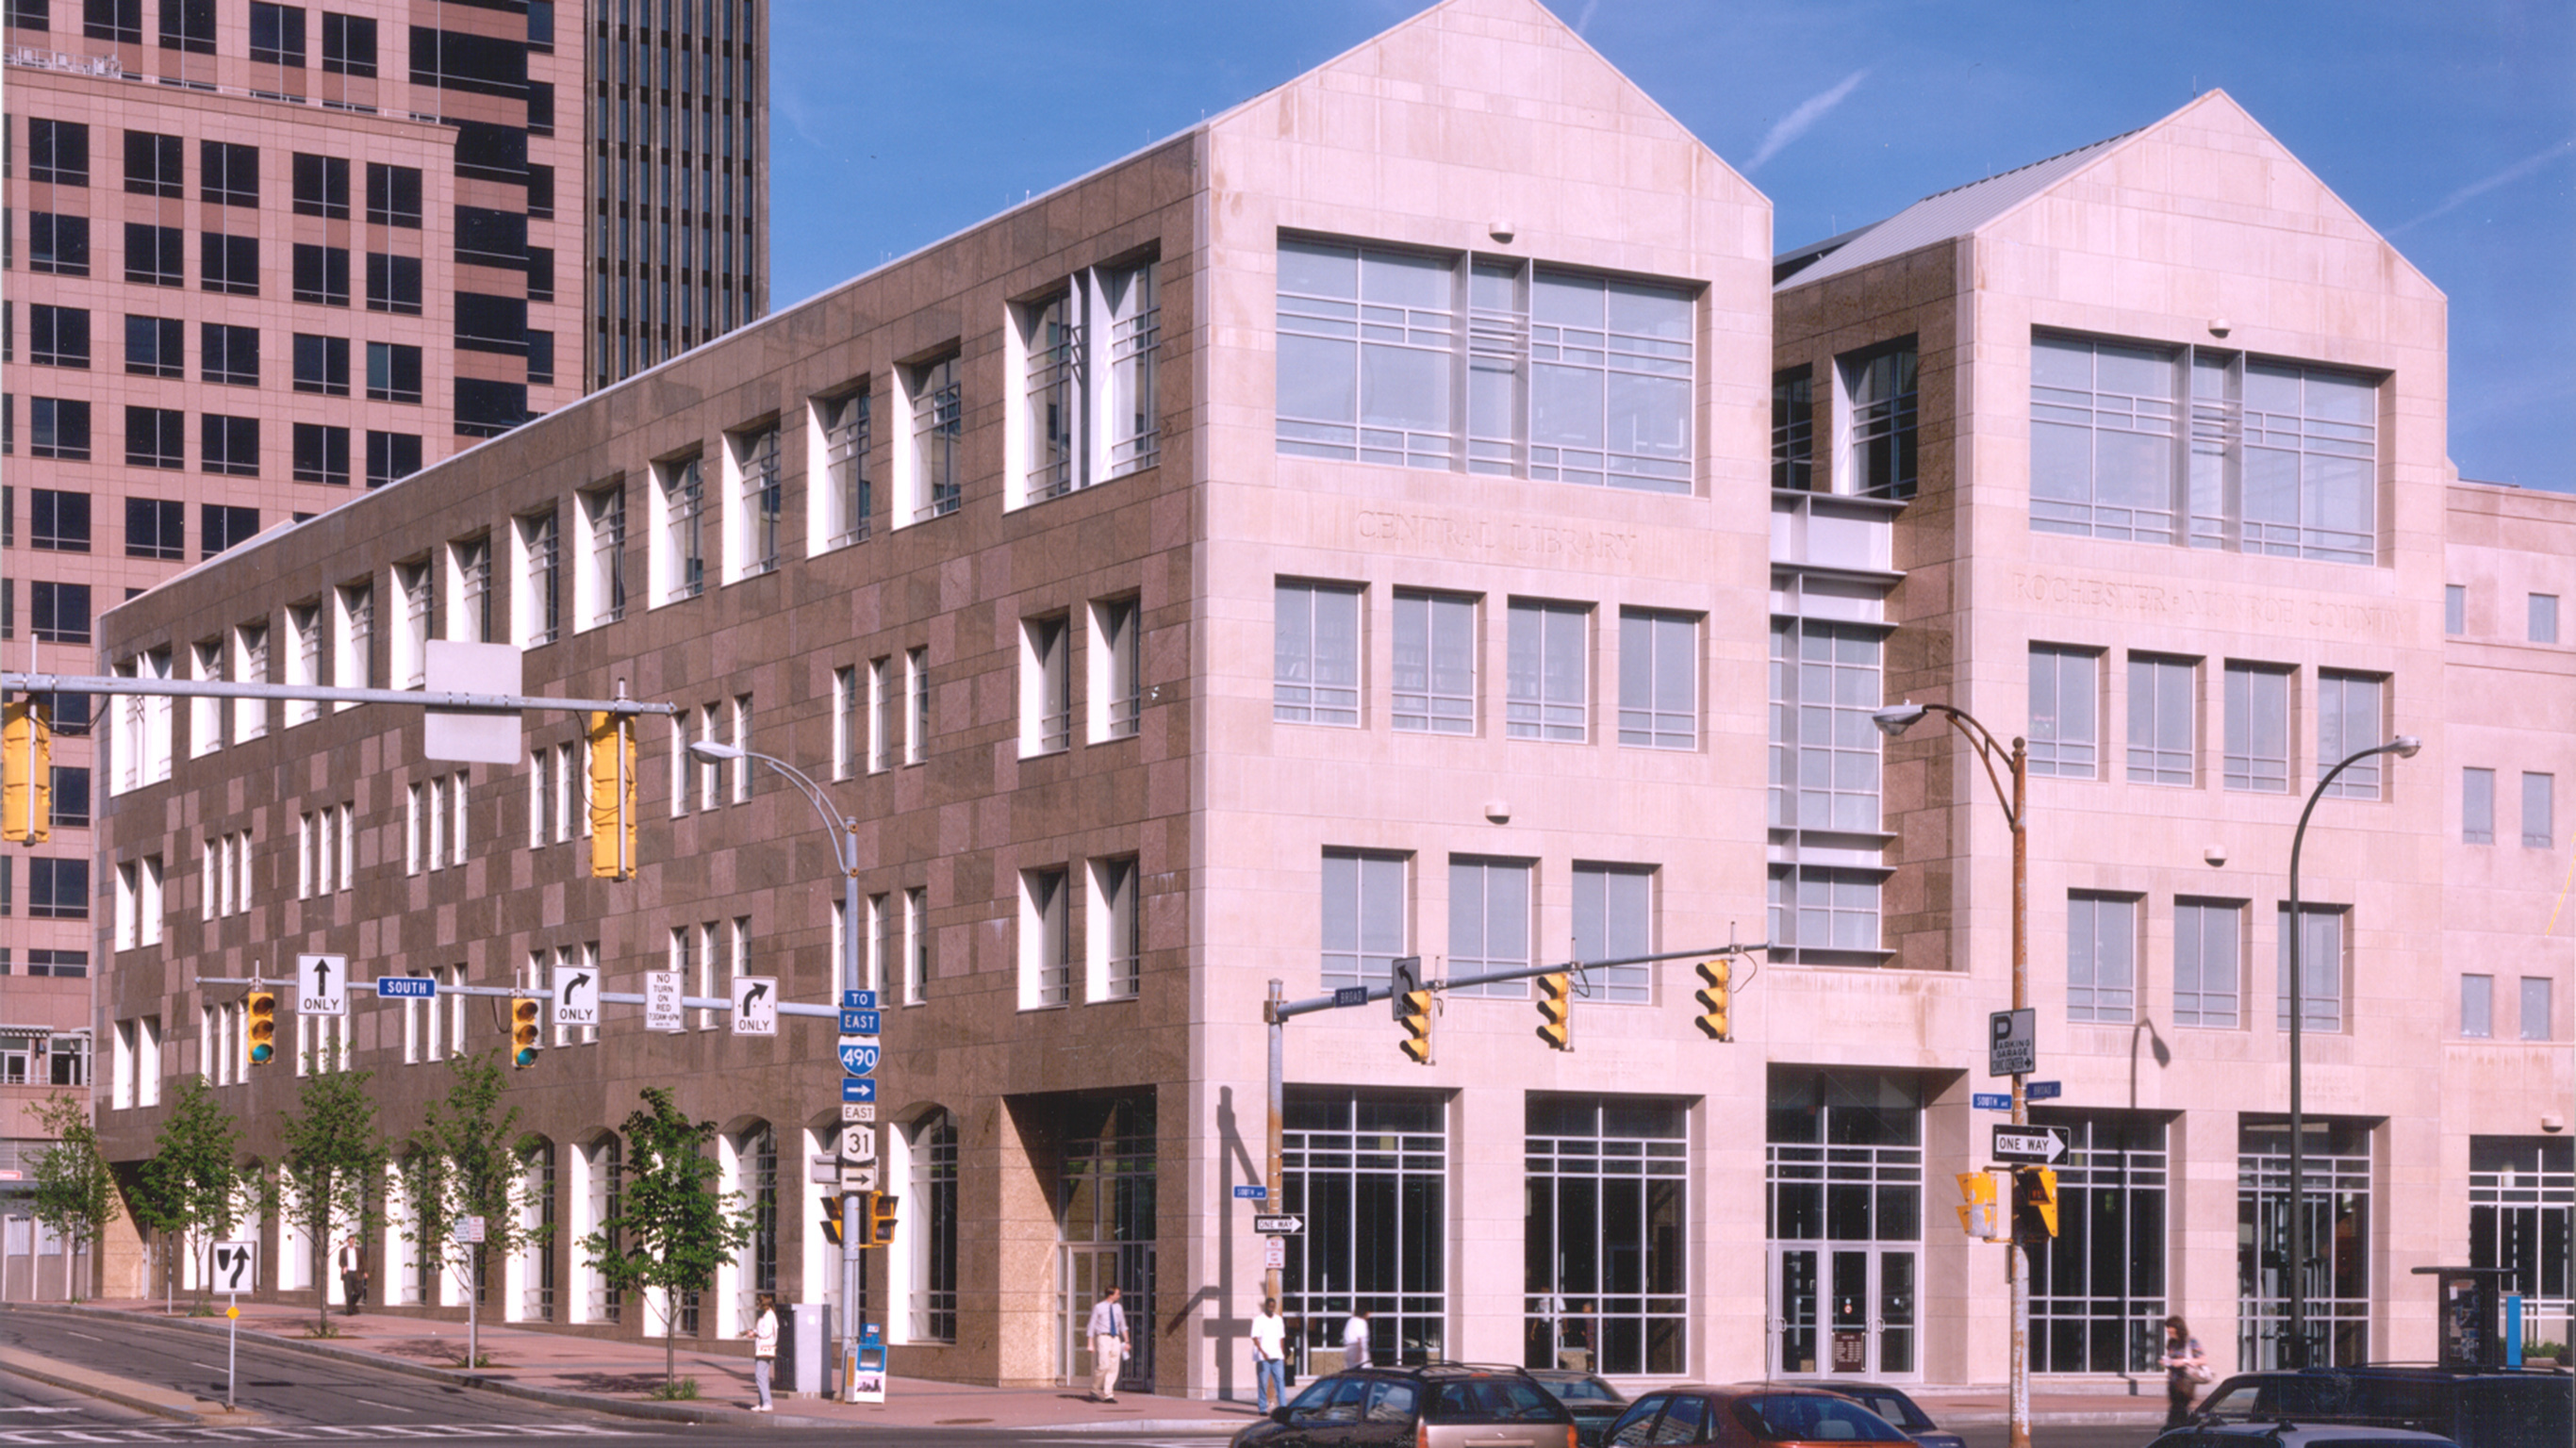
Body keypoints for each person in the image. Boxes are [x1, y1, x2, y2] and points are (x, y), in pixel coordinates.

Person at [2159, 1314, 2206, 1428]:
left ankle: (2177, 1433)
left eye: (2170, 1327)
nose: (2168, 1330)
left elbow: (2202, 1359)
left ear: (2178, 1327)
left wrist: (2184, 1361)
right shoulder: (2172, 1343)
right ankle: (2182, 1431)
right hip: (2174, 1383)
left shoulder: (2191, 1341)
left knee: (2177, 1412)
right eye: (2167, 1328)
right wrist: (2167, 1363)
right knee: (2178, 1411)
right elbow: (2172, 1360)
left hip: (2185, 1383)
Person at [1087, 1285, 1129, 1402]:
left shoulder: (1118, 1308)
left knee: (1113, 1367)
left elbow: (1123, 1325)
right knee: (1103, 1365)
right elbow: (1092, 1325)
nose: (1119, 1296)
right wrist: (1090, 1342)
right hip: (1103, 1337)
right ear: (1111, 1294)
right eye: (1117, 1294)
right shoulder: (1098, 1307)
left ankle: (1108, 1394)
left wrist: (1127, 1341)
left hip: (1115, 1338)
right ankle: (1094, 1390)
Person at [1250, 1296, 1288, 1412]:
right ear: (1266, 1306)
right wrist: (1262, 1352)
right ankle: (1262, 1408)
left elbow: (1281, 1337)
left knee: (1280, 1382)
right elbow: (1255, 1338)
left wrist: (1282, 1353)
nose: (1271, 1309)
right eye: (1270, 1307)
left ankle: (1283, 1408)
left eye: (1273, 1307)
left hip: (1277, 1357)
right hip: (1264, 1358)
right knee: (1263, 1383)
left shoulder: (1278, 1319)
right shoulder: (1258, 1320)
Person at [750, 1292, 779, 1412]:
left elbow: (766, 1333)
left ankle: (767, 1402)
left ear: (763, 1303)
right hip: (763, 1348)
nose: (757, 1304)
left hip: (764, 1348)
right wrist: (754, 1331)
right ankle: (762, 1402)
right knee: (763, 1376)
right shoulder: (768, 1315)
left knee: (760, 1376)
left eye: (759, 1302)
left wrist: (755, 1333)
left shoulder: (768, 1316)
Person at [337, 1238, 368, 1317]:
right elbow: (340, 1261)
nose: (351, 1243)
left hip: (356, 1273)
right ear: (347, 1241)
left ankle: (352, 1304)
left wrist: (365, 1271)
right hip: (347, 1274)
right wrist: (344, 1267)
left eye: (352, 1241)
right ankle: (349, 1311)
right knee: (348, 1292)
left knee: (359, 1291)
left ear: (354, 1241)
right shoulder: (343, 1250)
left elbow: (363, 1261)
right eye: (349, 1241)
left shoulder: (358, 1250)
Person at [1341, 1306, 1372, 1370]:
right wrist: (1359, 1354)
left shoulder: (1351, 1321)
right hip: (1358, 1349)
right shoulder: (1361, 1322)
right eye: (1368, 1312)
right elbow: (1360, 1338)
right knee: (1364, 1372)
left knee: (1350, 1371)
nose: (1369, 1314)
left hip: (1349, 1349)